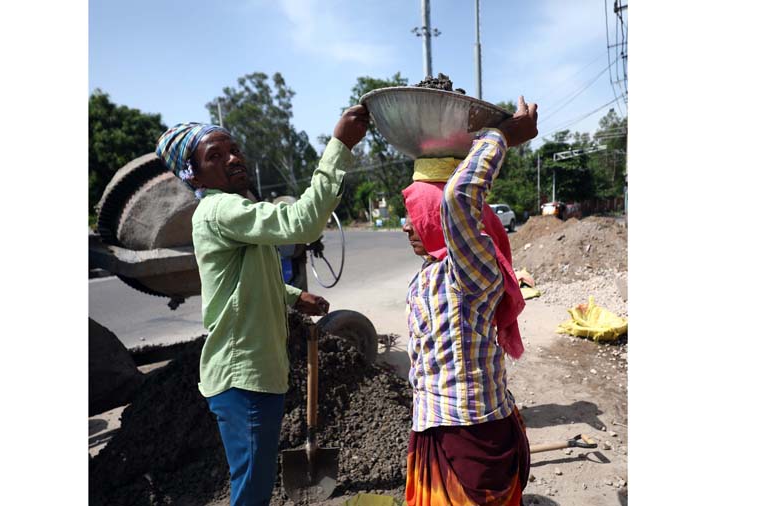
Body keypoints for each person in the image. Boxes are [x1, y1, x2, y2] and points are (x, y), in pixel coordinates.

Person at [154, 105, 369, 506]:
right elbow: (303, 223)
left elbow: (247, 278)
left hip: (255, 374)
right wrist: (338, 146)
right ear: (194, 176)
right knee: (251, 492)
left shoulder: (235, 213)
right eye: (214, 156)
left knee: (254, 482)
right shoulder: (221, 208)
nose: (232, 158)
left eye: (233, 149)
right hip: (243, 378)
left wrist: (294, 296)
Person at [401, 96, 538, 506]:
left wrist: (502, 136)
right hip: (436, 430)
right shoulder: (430, 273)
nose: (407, 224)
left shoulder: (472, 272)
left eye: (414, 211)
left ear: (435, 216)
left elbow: (460, 199)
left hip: (471, 436)